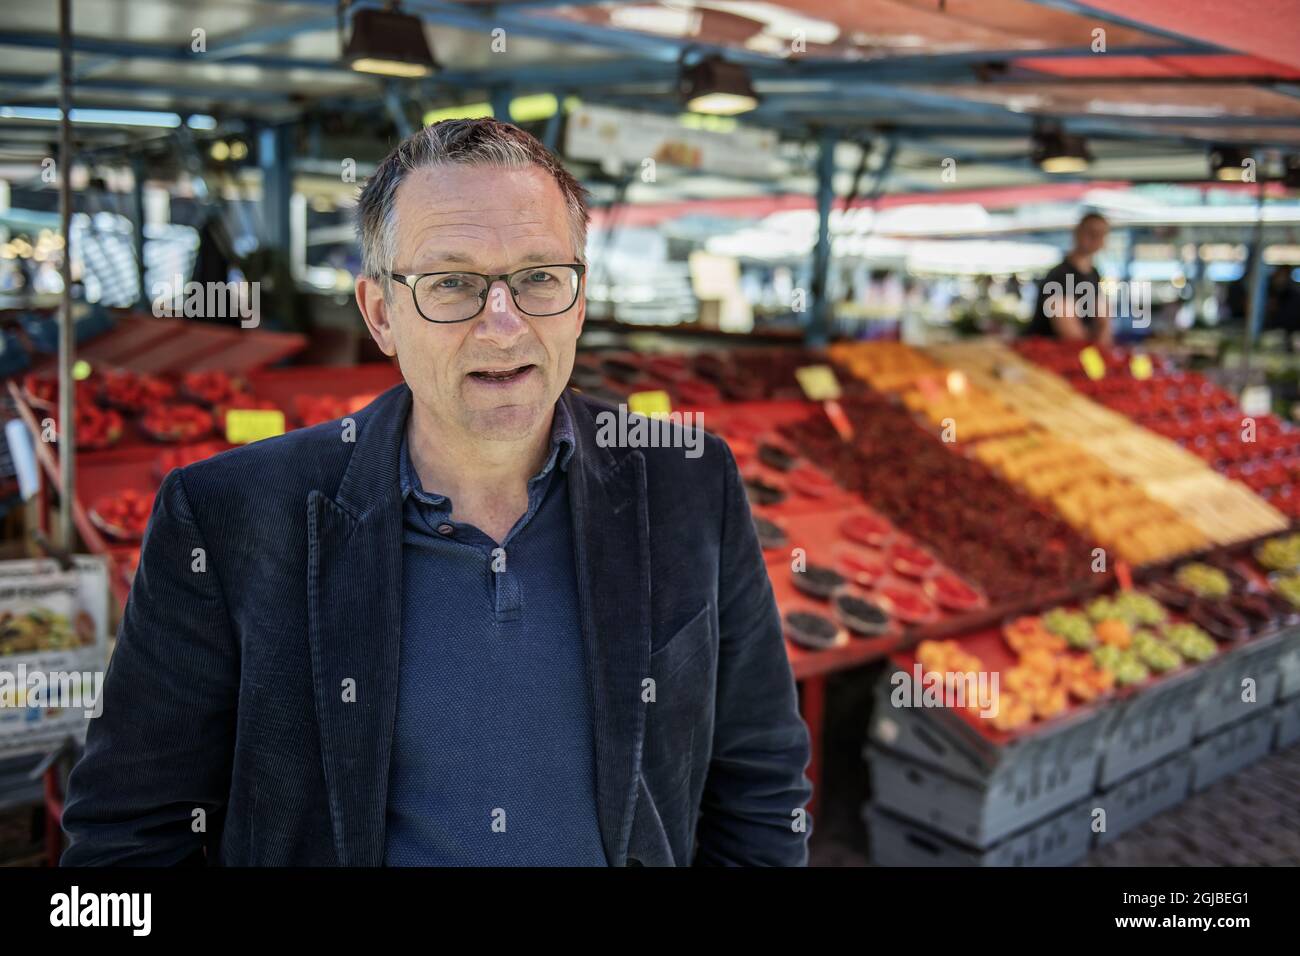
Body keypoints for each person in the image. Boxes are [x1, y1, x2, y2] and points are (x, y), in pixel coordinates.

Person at [60, 118, 813, 867]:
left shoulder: (687, 480)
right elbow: (127, 837)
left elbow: (759, 786)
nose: (503, 324)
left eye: (540, 278)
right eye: (452, 283)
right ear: (380, 313)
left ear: (580, 299)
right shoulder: (230, 517)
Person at [1026, 211, 1112, 345]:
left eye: (1102, 234)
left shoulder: (1094, 273)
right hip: (1052, 355)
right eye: (1091, 232)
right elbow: (1070, 335)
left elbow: (1103, 320)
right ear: (1077, 233)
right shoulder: (1059, 276)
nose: (1096, 238)